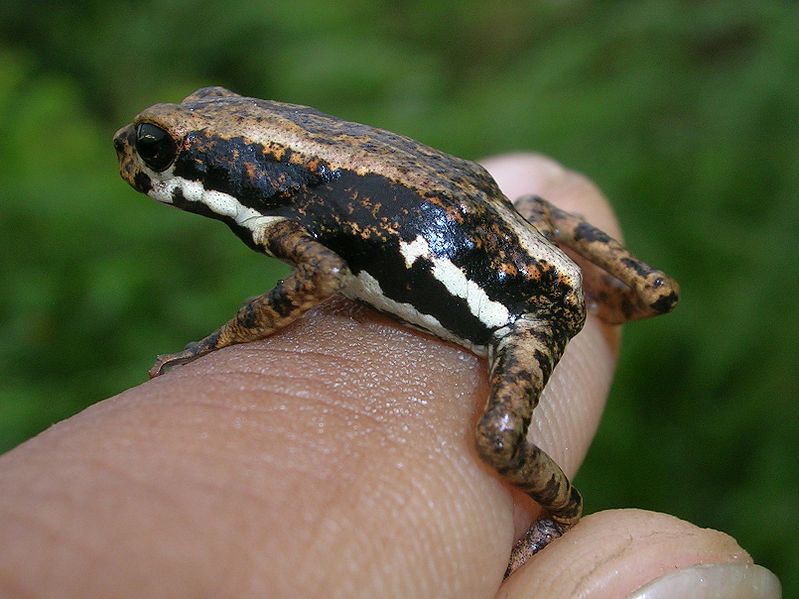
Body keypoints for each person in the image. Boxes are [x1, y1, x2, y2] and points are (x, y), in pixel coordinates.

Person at [0, 154, 780, 598]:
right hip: (517, 223)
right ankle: (639, 290)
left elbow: (315, 279)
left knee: (497, 440)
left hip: (525, 309)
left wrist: (230, 333)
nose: (133, 154)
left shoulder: (284, 211)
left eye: (156, 149)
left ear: (216, 168)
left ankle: (563, 507)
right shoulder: (293, 186)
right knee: (538, 204)